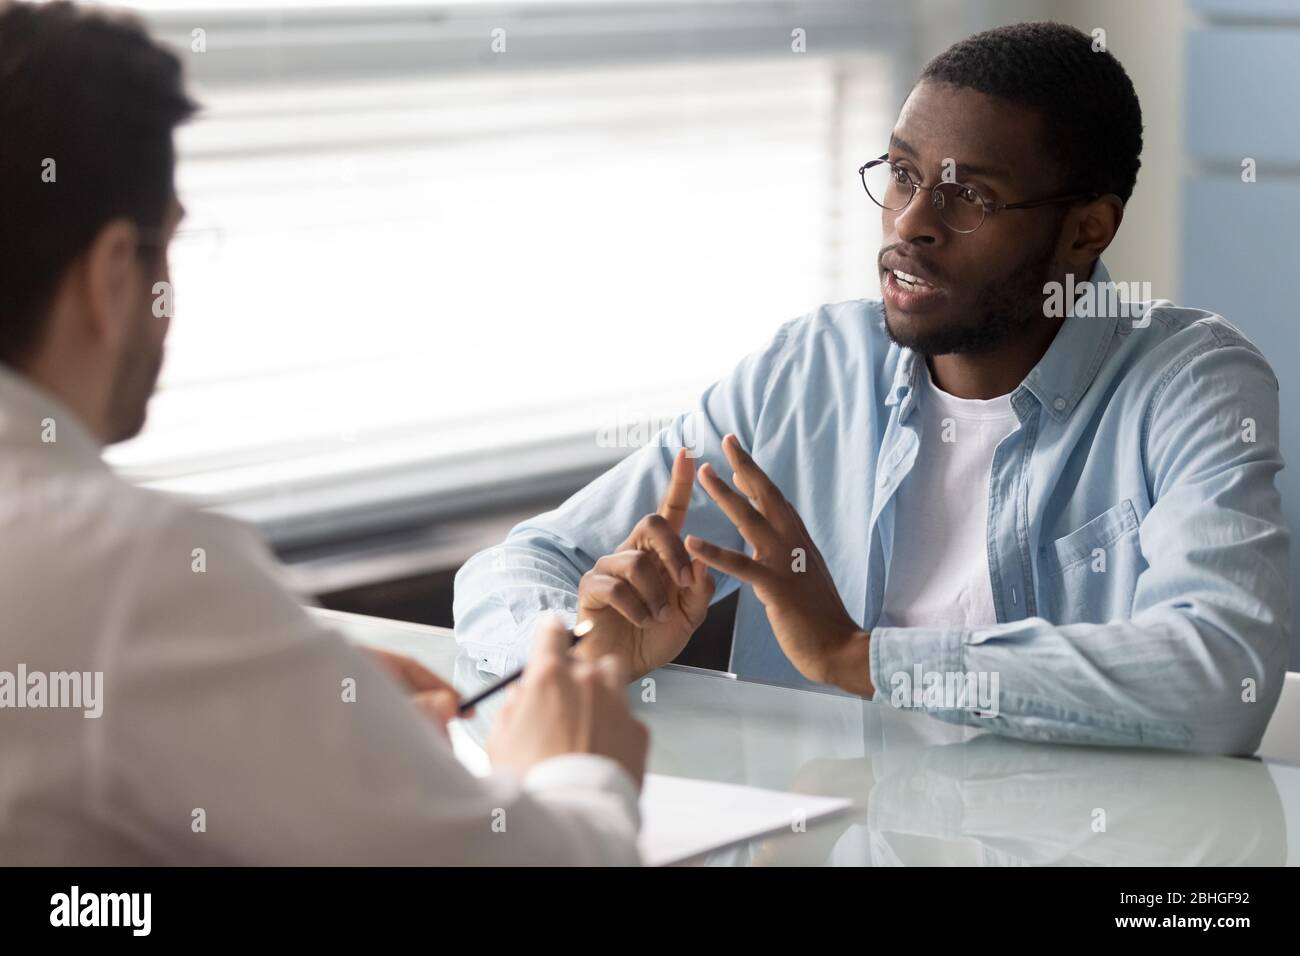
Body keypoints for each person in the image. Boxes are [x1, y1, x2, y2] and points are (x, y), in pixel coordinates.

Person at [455, 21, 1290, 755]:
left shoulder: (1192, 382)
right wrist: (580, 643)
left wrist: (855, 658)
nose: (910, 222)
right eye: (900, 173)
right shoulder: (812, 372)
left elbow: (1219, 682)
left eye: (969, 194)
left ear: (1086, 230)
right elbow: (519, 566)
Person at [0, 0, 646, 865]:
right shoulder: (129, 570)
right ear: (116, 274)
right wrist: (580, 769)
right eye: (170, 249)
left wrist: (270, 703)